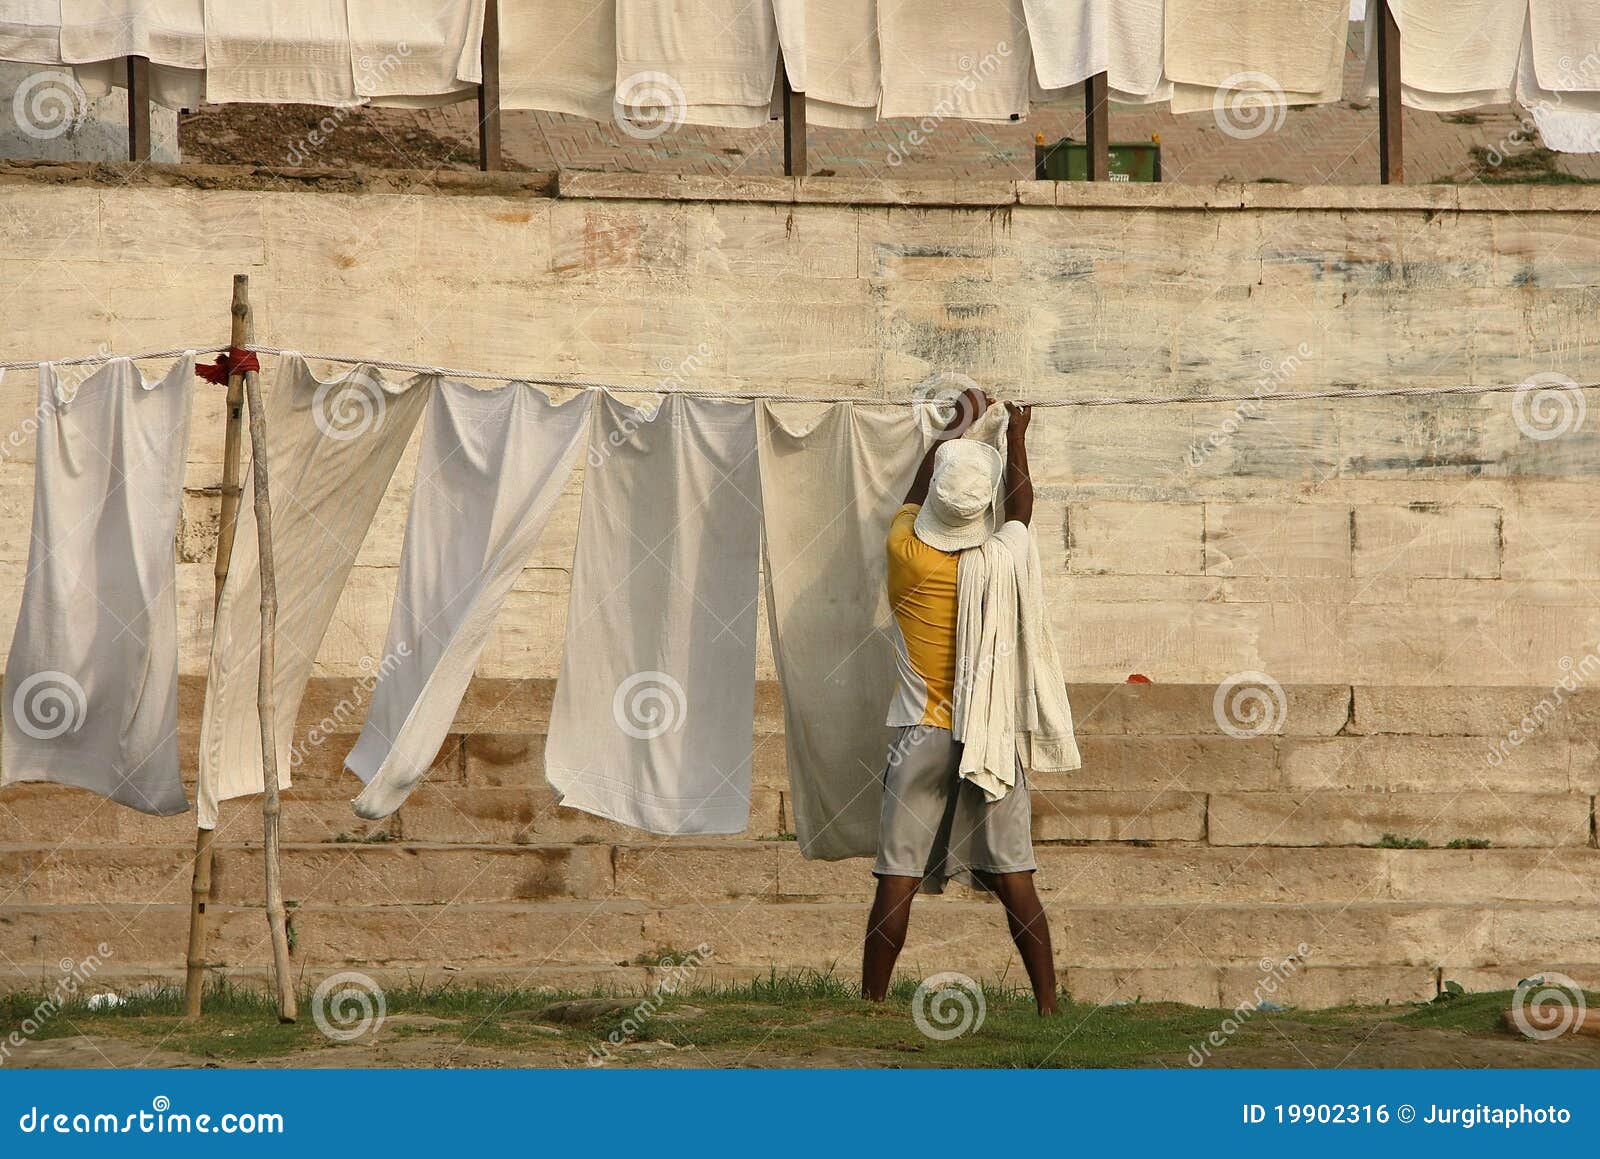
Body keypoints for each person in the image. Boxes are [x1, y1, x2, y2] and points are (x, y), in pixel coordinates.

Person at [862, 388, 1059, 1016]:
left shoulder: (906, 554)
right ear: (982, 516)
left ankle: (870, 1000)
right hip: (989, 734)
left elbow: (917, 496)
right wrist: (1017, 435)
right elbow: (1021, 512)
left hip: (921, 734)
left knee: (898, 877)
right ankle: (1049, 1007)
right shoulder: (1000, 560)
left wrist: (955, 429)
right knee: (1015, 879)